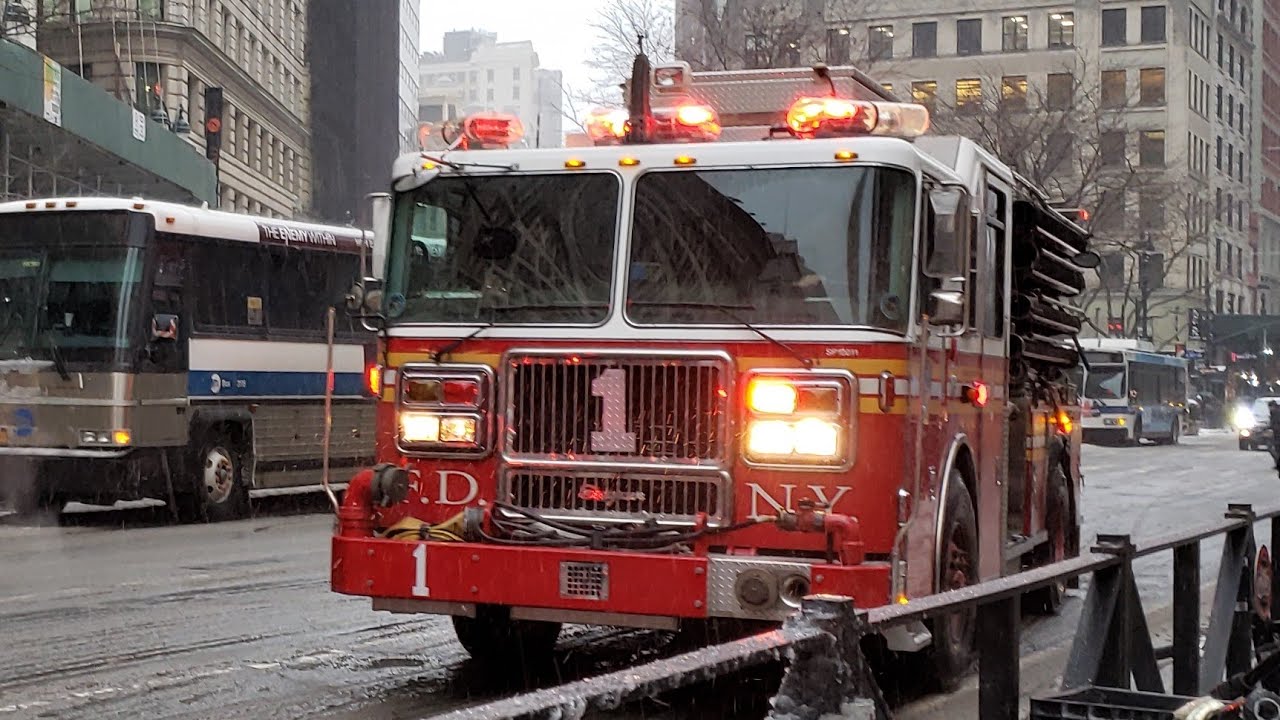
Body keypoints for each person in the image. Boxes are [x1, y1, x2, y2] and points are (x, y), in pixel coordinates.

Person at [1269, 400, 1280, 472]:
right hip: (1276, 434)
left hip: (1278, 434)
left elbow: (1275, 424)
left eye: (1270, 407)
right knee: (1276, 449)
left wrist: (1271, 427)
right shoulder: (1273, 413)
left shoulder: (1277, 413)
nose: (1270, 409)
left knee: (1275, 449)